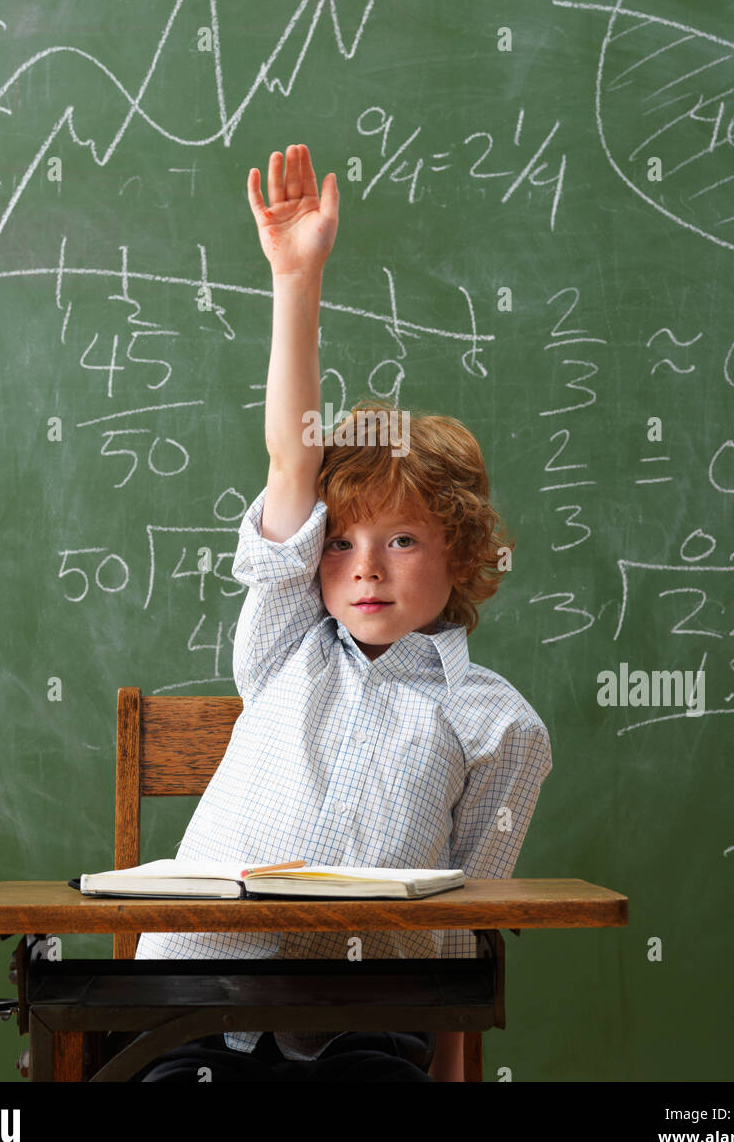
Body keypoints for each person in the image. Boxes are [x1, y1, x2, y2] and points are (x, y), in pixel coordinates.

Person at [132, 143, 552, 1082]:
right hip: (198, 1010)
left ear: (465, 555)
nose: (365, 569)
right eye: (340, 541)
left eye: (402, 542)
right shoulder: (288, 646)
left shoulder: (500, 727)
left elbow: (469, 935)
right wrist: (297, 276)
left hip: (374, 1024)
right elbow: (292, 463)